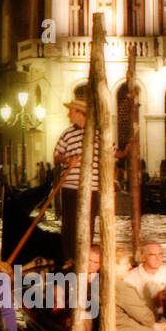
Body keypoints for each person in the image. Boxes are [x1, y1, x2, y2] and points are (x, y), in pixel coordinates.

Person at [53, 98, 99, 265]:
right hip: (70, 187)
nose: (68, 114)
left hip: (92, 187)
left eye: (71, 111)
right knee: (68, 226)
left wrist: (125, 152)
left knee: (87, 224)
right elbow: (56, 156)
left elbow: (113, 151)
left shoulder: (97, 133)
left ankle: (84, 259)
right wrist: (67, 159)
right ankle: (69, 259)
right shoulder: (67, 133)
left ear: (80, 113)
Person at [123, 241, 166, 314]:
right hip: (141, 317)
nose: (158, 258)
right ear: (143, 257)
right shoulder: (130, 278)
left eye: (160, 255)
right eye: (153, 255)